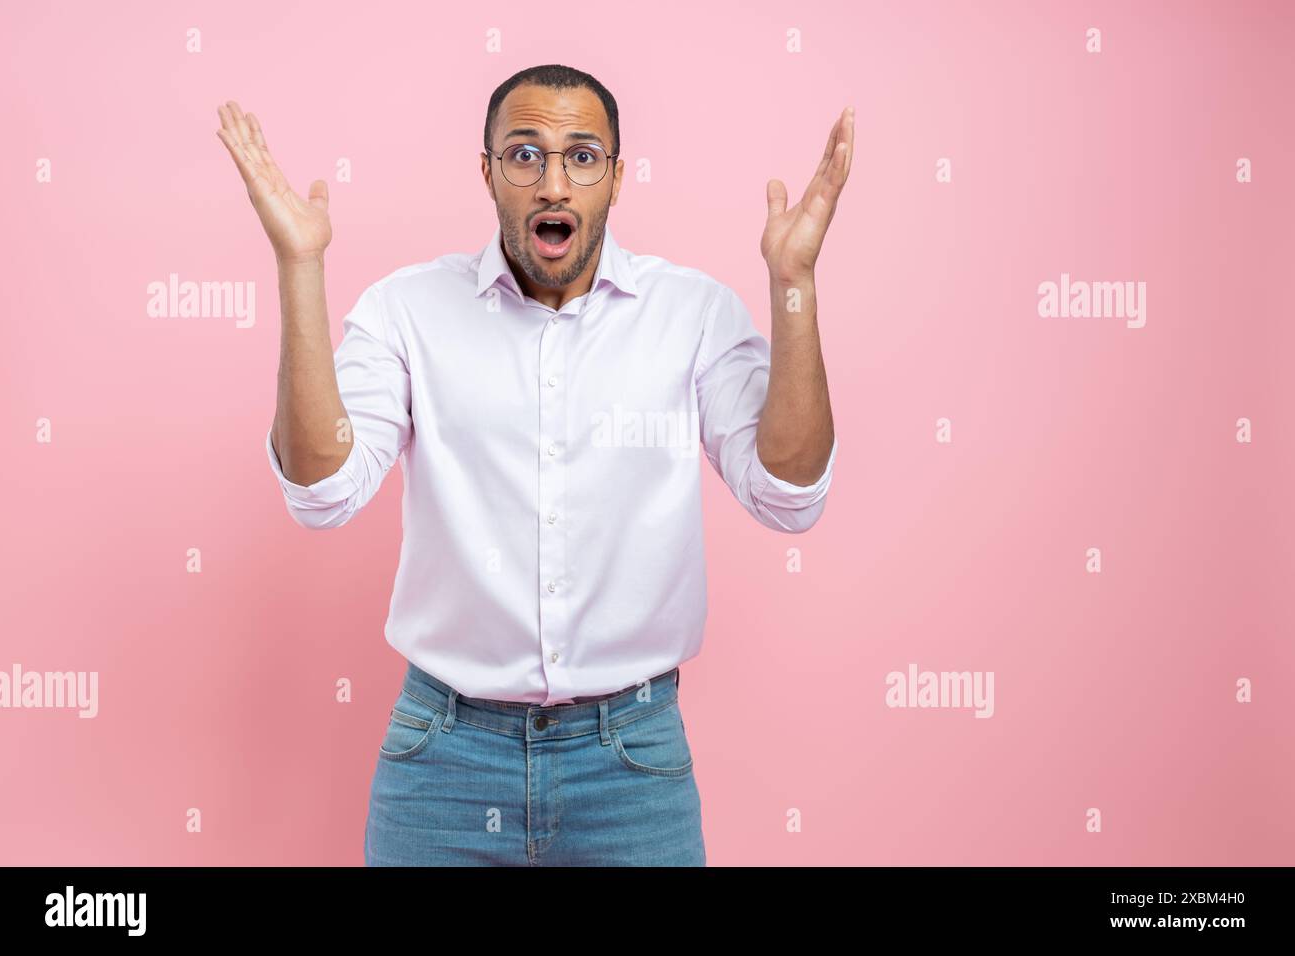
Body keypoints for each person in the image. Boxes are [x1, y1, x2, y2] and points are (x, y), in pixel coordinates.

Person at [215, 63, 849, 866]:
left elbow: (789, 494)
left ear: (616, 177)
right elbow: (322, 492)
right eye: (524, 154)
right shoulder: (406, 311)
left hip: (633, 765)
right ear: (487, 172)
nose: (554, 181)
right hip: (442, 761)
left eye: (583, 156)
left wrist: (793, 282)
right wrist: (298, 266)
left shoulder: (693, 314)